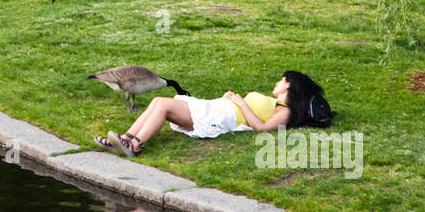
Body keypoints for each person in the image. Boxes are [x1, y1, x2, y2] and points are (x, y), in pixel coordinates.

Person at [96, 70, 329, 157]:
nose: (277, 82)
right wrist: (233, 98)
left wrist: (240, 102)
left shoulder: (285, 112)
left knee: (164, 105)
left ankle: (135, 145)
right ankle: (126, 139)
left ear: (288, 86)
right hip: (220, 108)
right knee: (159, 100)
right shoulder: (274, 102)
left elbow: (262, 128)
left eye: (282, 80)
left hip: (221, 117)